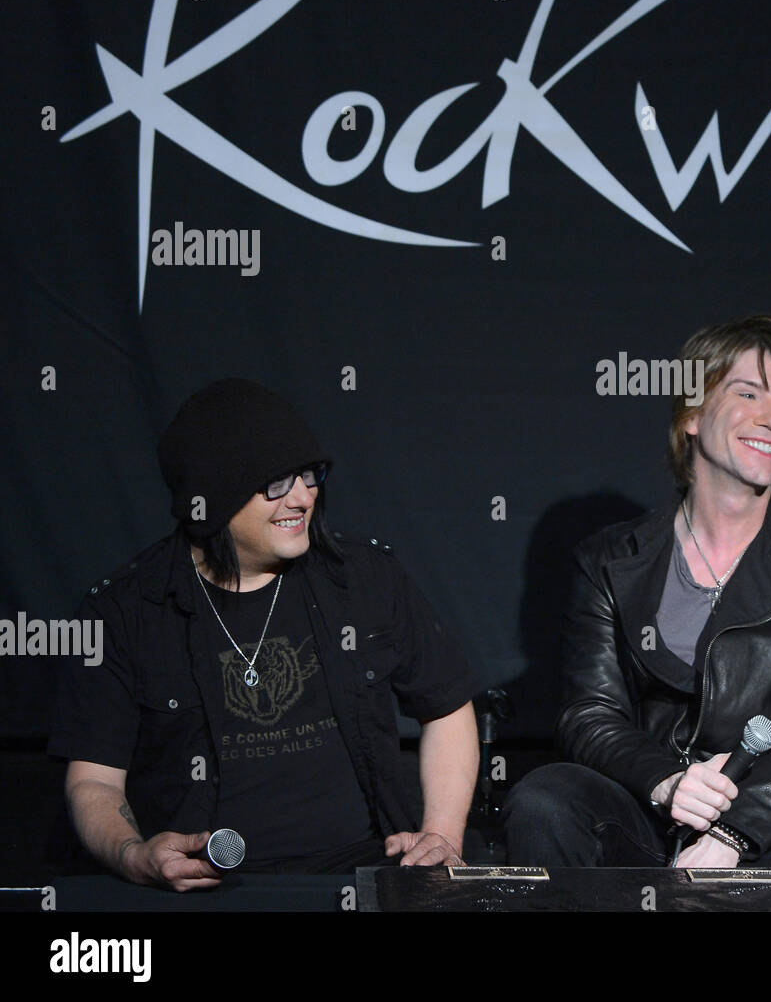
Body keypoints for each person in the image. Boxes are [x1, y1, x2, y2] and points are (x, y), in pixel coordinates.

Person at [49, 378, 479, 889]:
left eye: (309, 475)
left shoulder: (365, 578)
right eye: (275, 482)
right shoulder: (126, 611)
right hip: (206, 888)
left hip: (364, 872)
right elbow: (94, 780)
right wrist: (132, 855)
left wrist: (442, 835)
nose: (302, 497)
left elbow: (447, 706)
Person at [504, 315, 771, 868]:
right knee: (544, 799)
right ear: (691, 415)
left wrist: (734, 834)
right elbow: (589, 713)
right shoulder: (609, 560)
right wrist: (667, 781)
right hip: (651, 810)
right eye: (747, 393)